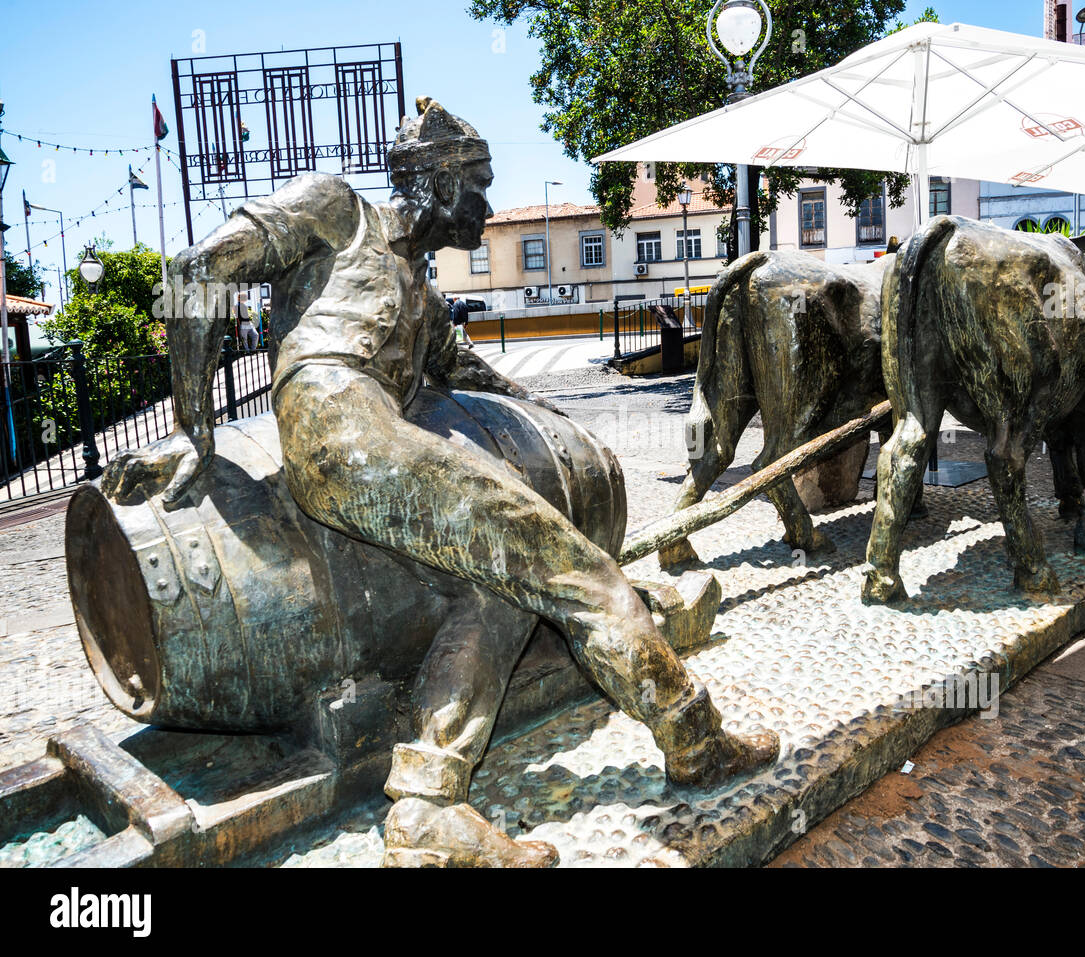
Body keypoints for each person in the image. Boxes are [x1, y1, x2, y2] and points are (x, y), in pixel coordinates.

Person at [101, 97, 778, 867]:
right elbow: (197, 266)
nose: (488, 208)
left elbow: (472, 374)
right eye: (481, 184)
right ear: (441, 178)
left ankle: (428, 802)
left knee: (497, 587)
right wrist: (196, 430)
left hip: (364, 448)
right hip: (343, 433)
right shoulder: (336, 209)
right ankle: (696, 738)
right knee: (580, 573)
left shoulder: (419, 293)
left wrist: (553, 416)